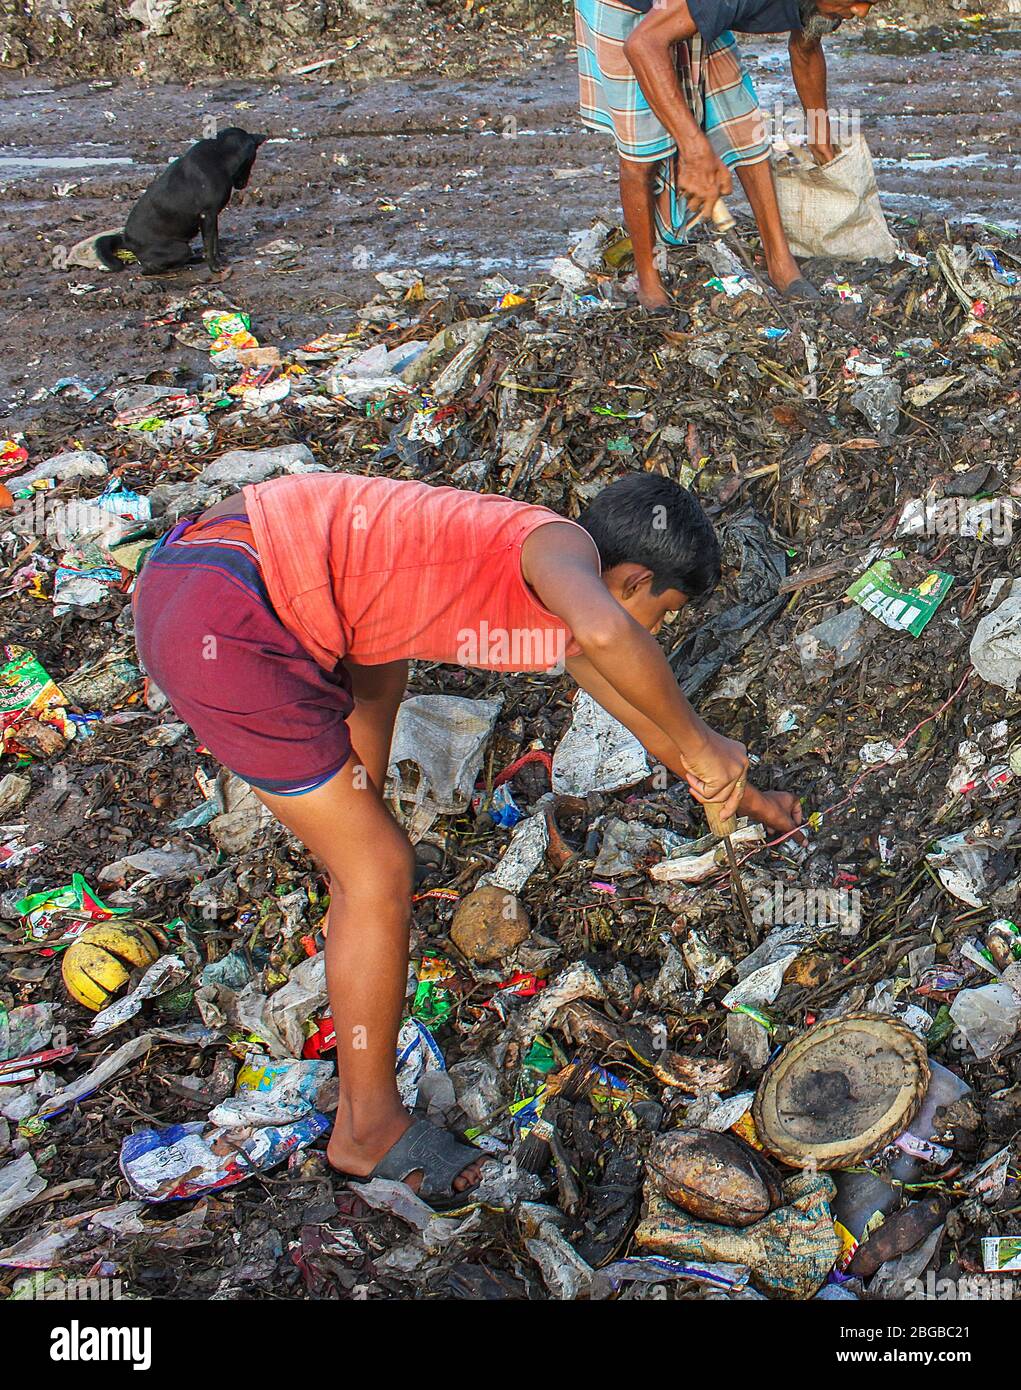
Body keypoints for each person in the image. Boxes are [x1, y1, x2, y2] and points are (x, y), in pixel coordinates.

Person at [132, 471, 803, 1208]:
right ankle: (367, 1130)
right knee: (379, 872)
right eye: (661, 613)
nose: (655, 636)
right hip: (230, 620)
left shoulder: (513, 560)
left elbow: (625, 690)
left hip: (193, 574)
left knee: (367, 839)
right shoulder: (553, 544)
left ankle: (355, 920)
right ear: (631, 576)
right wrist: (699, 747)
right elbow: (612, 634)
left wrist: (737, 786)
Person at [573, 0, 881, 311]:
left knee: (743, 124)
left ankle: (780, 263)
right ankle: (648, 280)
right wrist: (694, 150)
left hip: (683, 9)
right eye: (860, 0)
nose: (862, 12)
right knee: (642, 147)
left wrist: (820, 137)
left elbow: (806, 48)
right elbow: (642, 44)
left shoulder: (827, 5)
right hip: (625, 11)